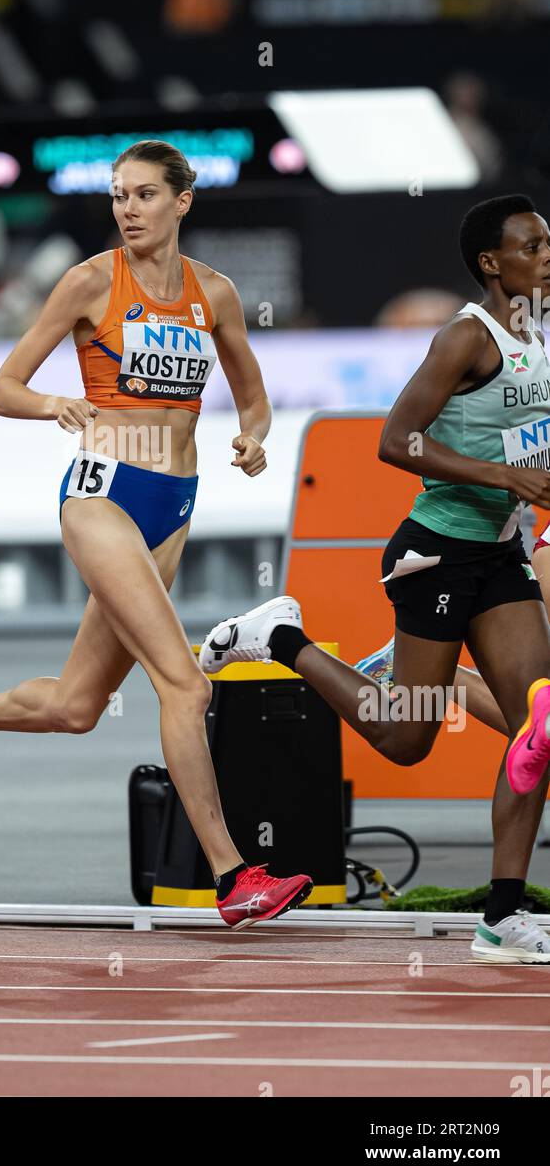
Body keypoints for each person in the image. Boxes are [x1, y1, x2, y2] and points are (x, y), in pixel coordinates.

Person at [0, 138, 312, 928]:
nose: (128, 209)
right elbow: (1, 388)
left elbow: (253, 396)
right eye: (119, 195)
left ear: (182, 202)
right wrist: (55, 405)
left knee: (76, 706)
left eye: (145, 195)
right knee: (185, 685)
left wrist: (254, 435)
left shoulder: (214, 293)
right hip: (102, 497)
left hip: (174, 506)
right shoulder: (90, 281)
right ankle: (234, 879)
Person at [200, 194, 550, 962]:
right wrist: (503, 475)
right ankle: (279, 637)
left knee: (541, 725)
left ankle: (502, 917)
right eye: (533, 246)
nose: (548, 255)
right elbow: (396, 441)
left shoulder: (539, 336)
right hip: (435, 555)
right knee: (403, 739)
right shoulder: (467, 338)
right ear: (494, 264)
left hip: (498, 554)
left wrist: (523, 480)